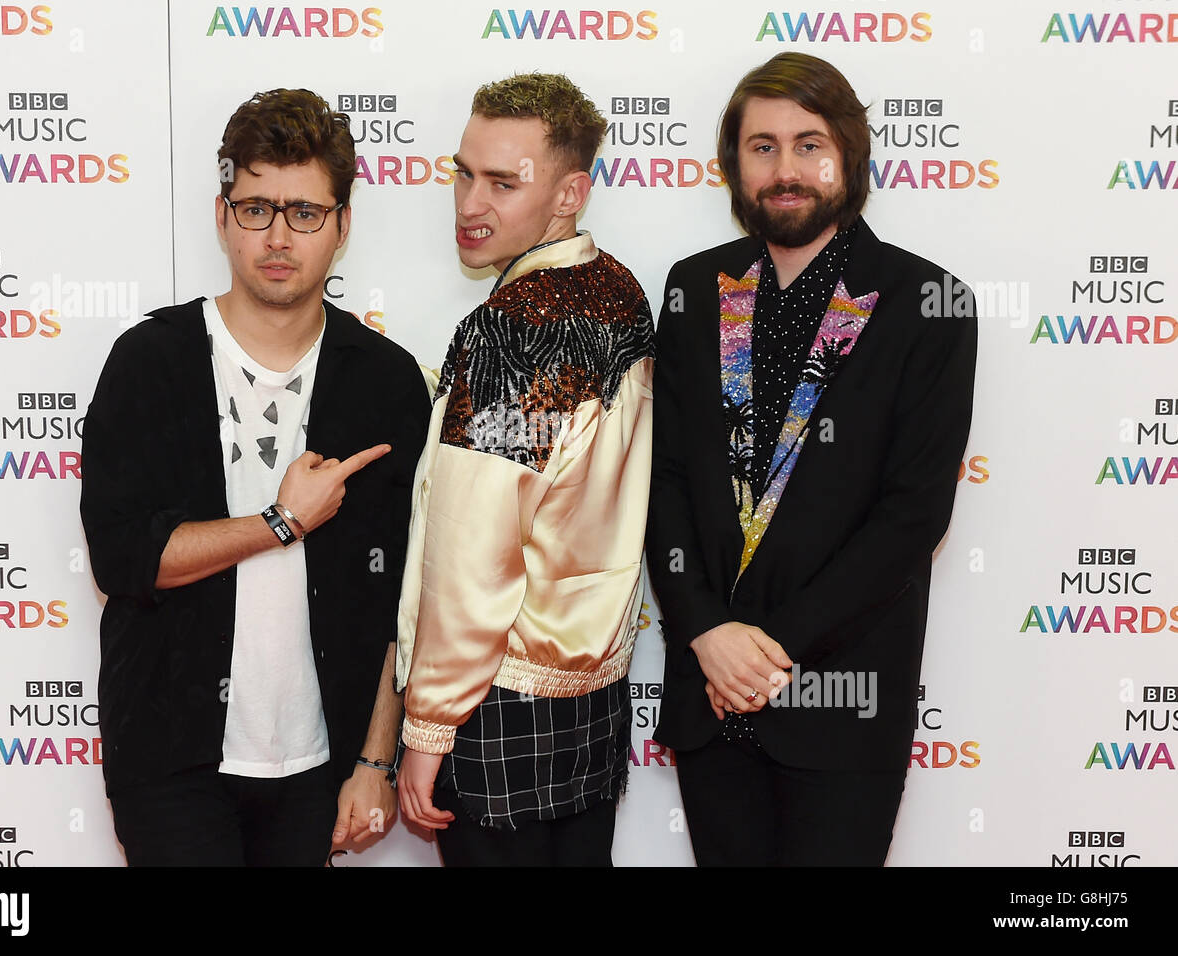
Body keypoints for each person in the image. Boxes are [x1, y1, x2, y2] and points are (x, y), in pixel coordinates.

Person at [79, 88, 430, 866]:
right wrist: (280, 523)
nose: (278, 235)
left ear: (342, 226)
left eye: (304, 212)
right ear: (220, 215)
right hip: (172, 763)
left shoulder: (386, 382)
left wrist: (374, 763)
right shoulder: (151, 363)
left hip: (319, 764)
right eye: (255, 208)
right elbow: (125, 559)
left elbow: (399, 598)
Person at [645, 52, 978, 866]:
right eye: (762, 146)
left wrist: (769, 649)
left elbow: (911, 516)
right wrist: (708, 633)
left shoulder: (929, 303)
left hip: (841, 698)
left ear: (849, 156)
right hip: (711, 694)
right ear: (733, 163)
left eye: (808, 143)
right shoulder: (693, 289)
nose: (785, 168)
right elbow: (666, 485)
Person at [393, 73, 655, 866]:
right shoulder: (620, 291)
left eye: (504, 182)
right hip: (596, 698)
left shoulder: (509, 333)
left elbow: (474, 556)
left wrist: (427, 728)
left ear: (569, 192)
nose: (471, 203)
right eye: (463, 172)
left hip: (495, 701)